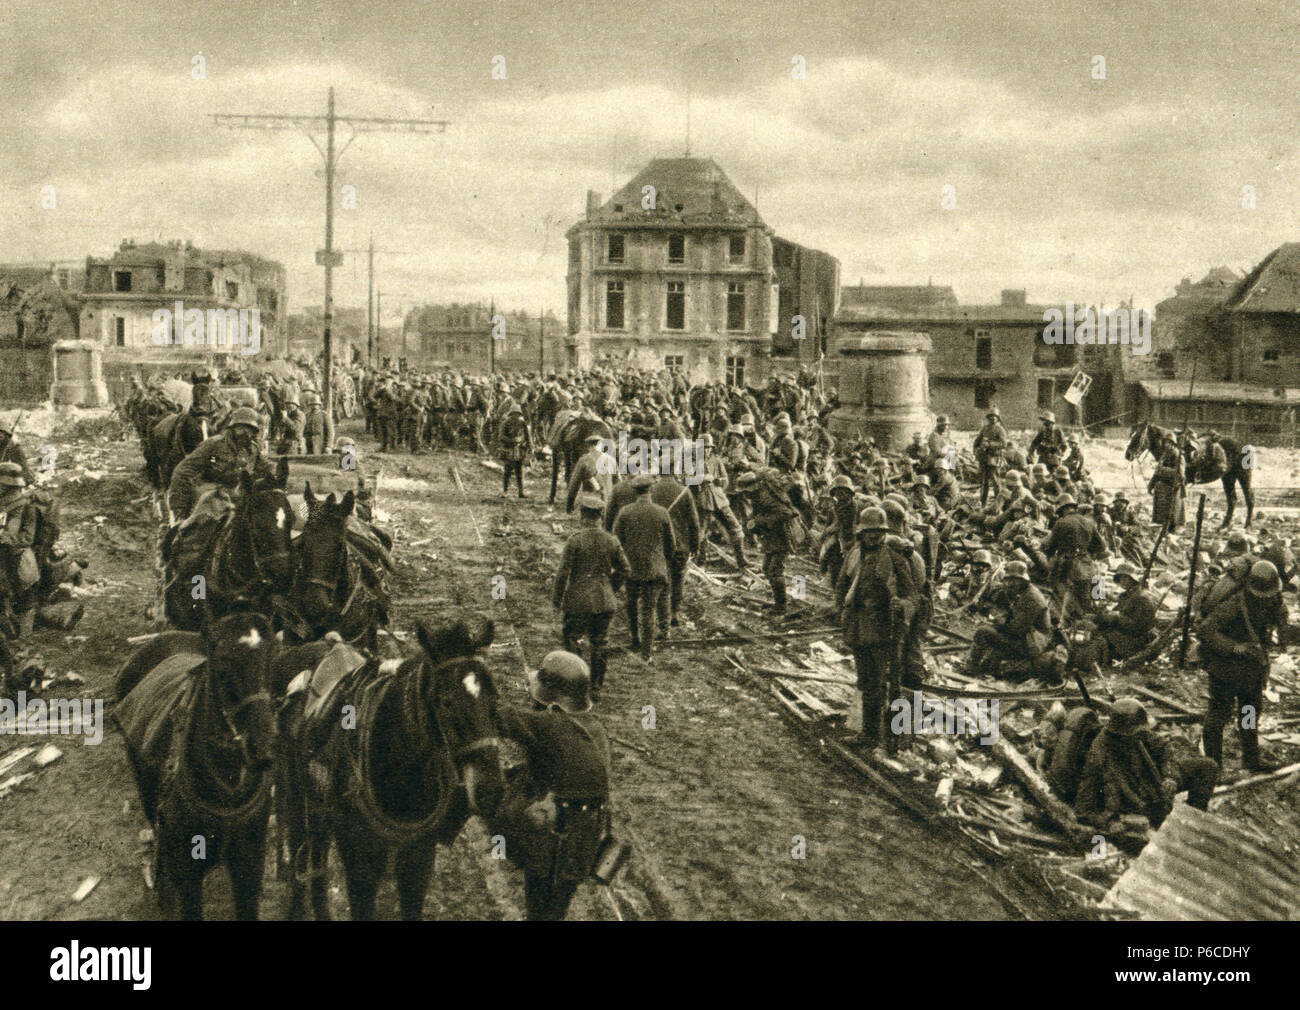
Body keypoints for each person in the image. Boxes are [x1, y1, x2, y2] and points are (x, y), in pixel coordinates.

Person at [493, 651, 612, 921]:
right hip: (588, 836)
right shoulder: (595, 728)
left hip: (553, 838)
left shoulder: (547, 724)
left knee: (539, 907)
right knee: (556, 909)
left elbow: (496, 717)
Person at [841, 506, 919, 751]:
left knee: (891, 685)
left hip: (885, 629)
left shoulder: (895, 558)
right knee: (867, 682)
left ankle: (894, 738)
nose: (873, 536)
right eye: (868, 532)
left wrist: (902, 606)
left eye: (878, 532)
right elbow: (841, 584)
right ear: (861, 533)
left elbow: (913, 596)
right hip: (858, 625)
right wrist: (840, 610)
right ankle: (870, 734)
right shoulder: (854, 555)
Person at [1197, 560, 1288, 772]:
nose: (1265, 599)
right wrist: (1235, 647)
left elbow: (1280, 621)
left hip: (1251, 671)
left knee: (1249, 713)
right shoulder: (1234, 605)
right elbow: (1205, 630)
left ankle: (1250, 759)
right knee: (1218, 716)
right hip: (1225, 669)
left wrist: (1282, 623)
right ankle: (1213, 766)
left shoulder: (1274, 600)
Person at [1074, 698, 1220, 830]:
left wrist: (1171, 776)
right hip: (1132, 802)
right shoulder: (1099, 755)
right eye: (1137, 733)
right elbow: (1083, 809)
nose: (1143, 734)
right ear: (1123, 734)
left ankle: (1194, 820)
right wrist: (1109, 822)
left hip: (1151, 783)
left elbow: (1165, 750)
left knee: (1207, 767)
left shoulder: (1139, 733)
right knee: (1159, 821)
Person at [553, 494, 629, 698]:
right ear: (600, 517)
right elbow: (625, 569)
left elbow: (563, 573)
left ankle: (575, 683)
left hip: (579, 599)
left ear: (583, 516)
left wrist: (557, 600)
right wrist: (609, 588)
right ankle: (595, 687)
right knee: (600, 642)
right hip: (605, 601)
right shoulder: (611, 540)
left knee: (572, 639)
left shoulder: (575, 541)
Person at [166, 407, 272, 522]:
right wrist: (179, 510)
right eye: (241, 428)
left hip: (239, 498)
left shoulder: (252, 450)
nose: (245, 433)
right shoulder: (214, 445)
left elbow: (265, 470)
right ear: (232, 428)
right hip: (211, 497)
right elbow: (183, 471)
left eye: (250, 429)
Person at [612, 474, 675, 661]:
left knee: (631, 604)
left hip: (631, 569)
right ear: (651, 490)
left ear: (635, 491)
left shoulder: (625, 512)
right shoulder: (662, 512)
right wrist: (664, 561)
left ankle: (634, 638)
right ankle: (647, 653)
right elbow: (670, 545)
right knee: (649, 610)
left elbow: (617, 542)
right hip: (655, 570)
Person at [969, 560, 1060, 683]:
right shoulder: (1023, 592)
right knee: (990, 659)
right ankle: (986, 667)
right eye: (1008, 580)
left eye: (1013, 580)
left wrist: (1000, 623)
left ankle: (970, 668)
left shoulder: (1031, 598)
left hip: (1031, 645)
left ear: (1022, 580)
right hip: (1028, 638)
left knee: (982, 632)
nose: (1009, 583)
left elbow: (1016, 630)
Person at [650, 464, 700, 630]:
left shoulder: (651, 490)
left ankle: (661, 616)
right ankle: (675, 613)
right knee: (677, 578)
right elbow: (693, 522)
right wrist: (695, 545)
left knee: (661, 579)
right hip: (680, 544)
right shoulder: (684, 491)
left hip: (659, 543)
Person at [692, 434, 747, 571]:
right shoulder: (691, 462)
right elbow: (685, 480)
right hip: (702, 499)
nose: (706, 450)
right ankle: (701, 561)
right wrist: (701, 478)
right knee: (701, 532)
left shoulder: (716, 460)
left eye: (708, 448)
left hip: (719, 498)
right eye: (704, 448)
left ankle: (742, 559)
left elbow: (725, 479)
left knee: (735, 527)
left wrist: (719, 482)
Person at [973, 406, 1007, 506]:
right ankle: (983, 503)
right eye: (990, 416)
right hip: (983, 458)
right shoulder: (985, 428)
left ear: (998, 418)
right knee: (984, 482)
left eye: (994, 416)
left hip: (994, 458)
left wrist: (990, 444)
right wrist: (975, 450)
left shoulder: (1000, 430)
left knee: (996, 481)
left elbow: (1003, 444)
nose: (992, 418)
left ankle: (998, 503)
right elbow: (977, 440)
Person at [497, 405, 532, 499]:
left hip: (520, 450)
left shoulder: (523, 423)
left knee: (519, 471)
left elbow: (528, 437)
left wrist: (530, 448)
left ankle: (521, 492)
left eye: (517, 414)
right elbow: (501, 437)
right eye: (514, 414)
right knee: (507, 471)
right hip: (508, 449)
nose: (516, 417)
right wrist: (512, 440)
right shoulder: (506, 423)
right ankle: (505, 491)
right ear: (511, 414)